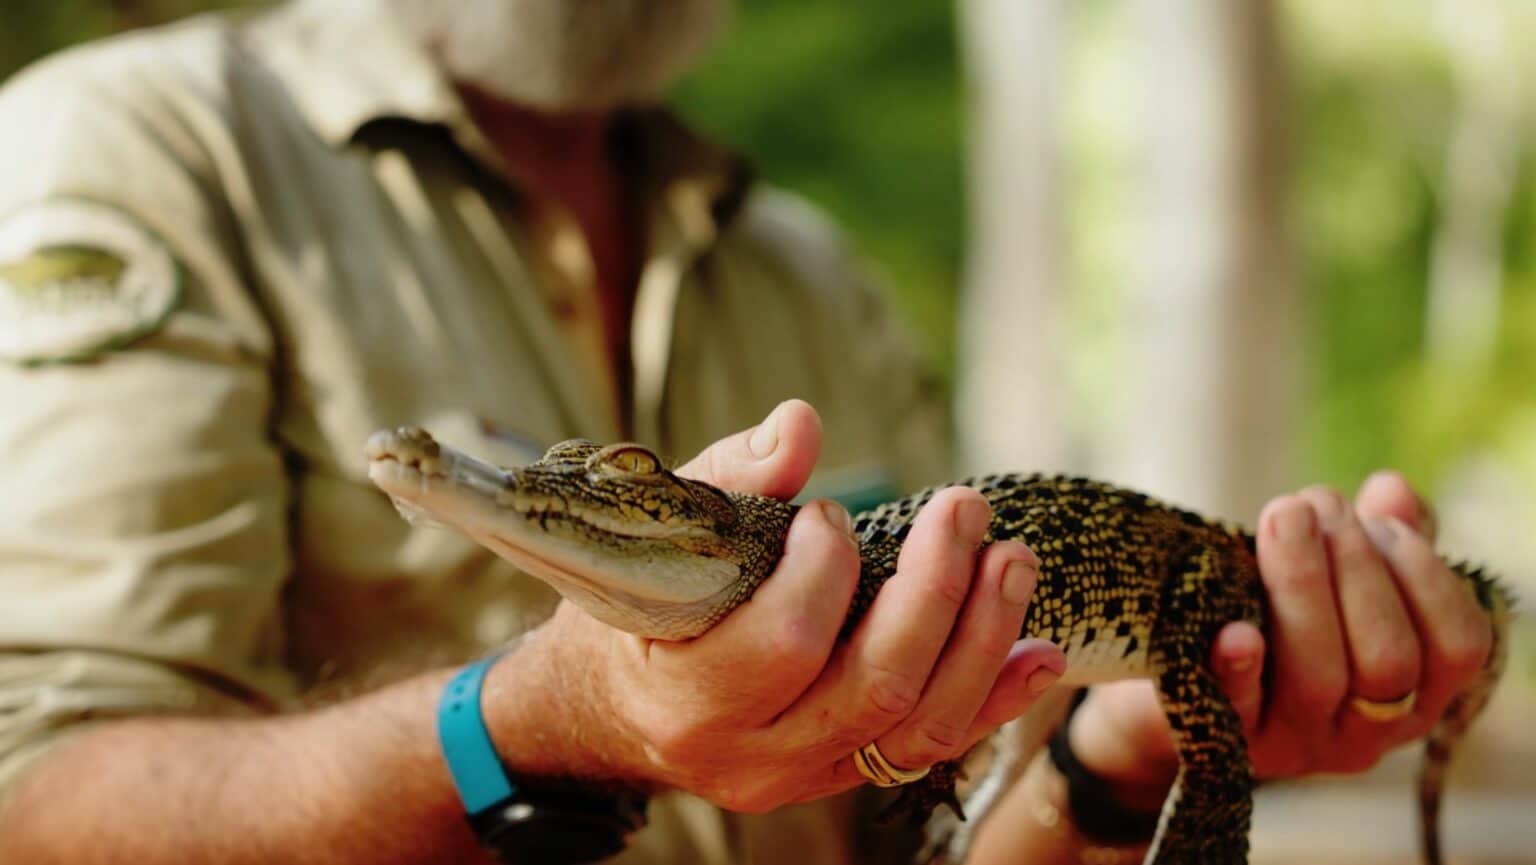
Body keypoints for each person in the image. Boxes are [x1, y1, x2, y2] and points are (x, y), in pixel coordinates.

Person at [0, 1, 1493, 863]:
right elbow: (31, 807)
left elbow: (960, 842)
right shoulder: (141, 149)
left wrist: (1121, 756)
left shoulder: (810, 268)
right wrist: (529, 725)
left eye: (615, 489)